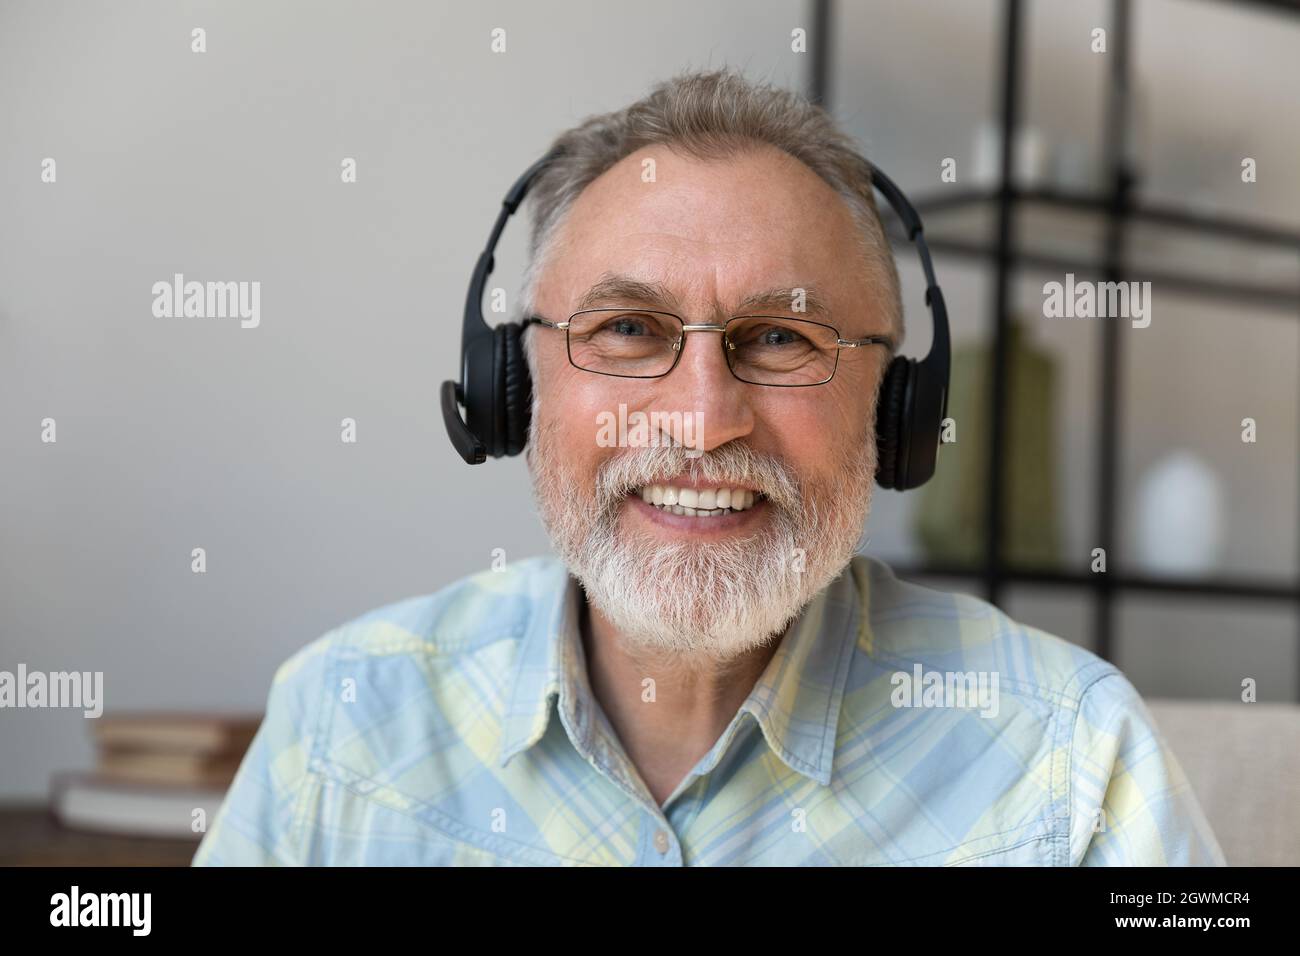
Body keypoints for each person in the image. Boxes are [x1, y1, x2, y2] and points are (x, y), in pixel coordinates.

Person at [194, 69, 1224, 866]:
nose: (700, 417)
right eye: (629, 327)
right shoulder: (340, 717)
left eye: (780, 338)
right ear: (515, 385)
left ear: (898, 408)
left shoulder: (1077, 761)